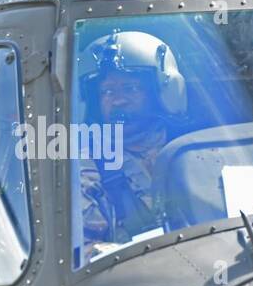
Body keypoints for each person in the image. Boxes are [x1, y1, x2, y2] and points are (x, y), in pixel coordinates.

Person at [79, 30, 189, 256]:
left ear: (160, 92)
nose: (118, 100)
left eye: (130, 88)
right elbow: (82, 247)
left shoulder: (194, 147)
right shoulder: (88, 166)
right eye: (107, 92)